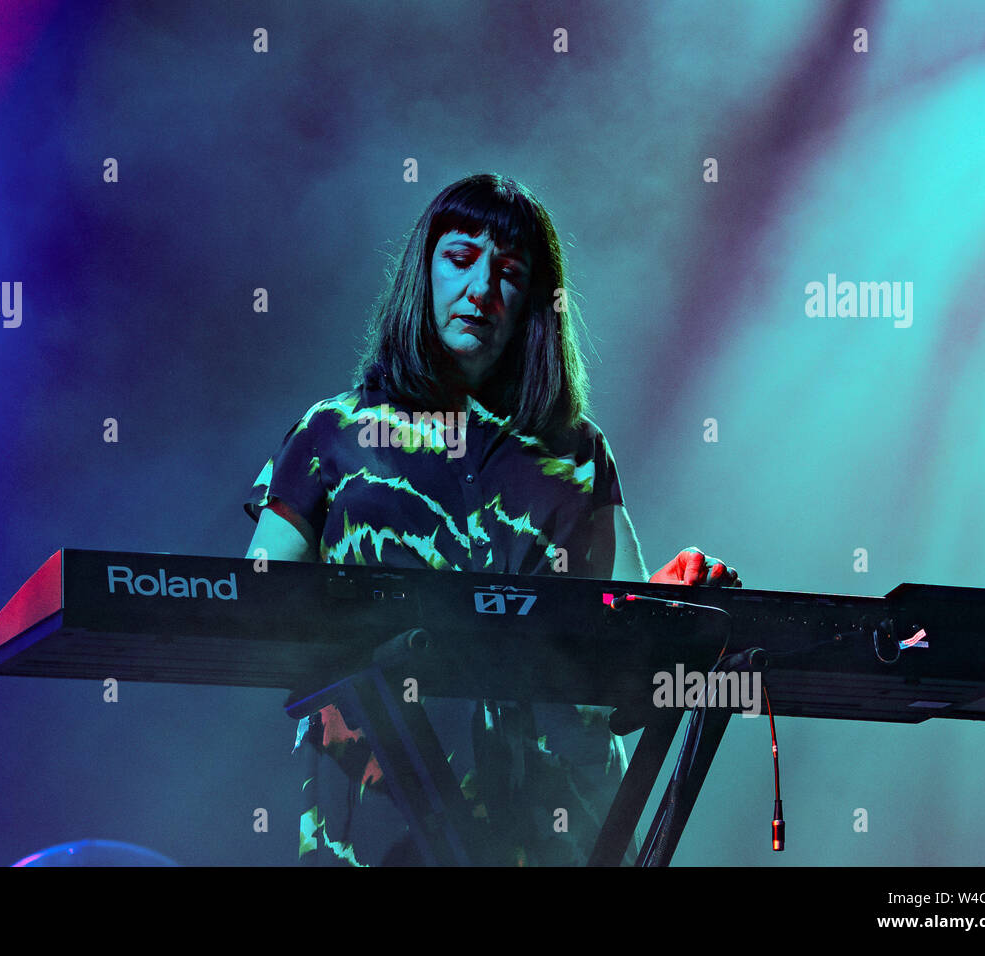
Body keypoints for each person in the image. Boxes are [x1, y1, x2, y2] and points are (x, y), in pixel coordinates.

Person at [244, 173, 740, 865]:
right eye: (460, 258)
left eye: (509, 273)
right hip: (385, 809)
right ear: (424, 270)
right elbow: (248, 604)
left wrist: (677, 604)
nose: (481, 288)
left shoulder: (576, 452)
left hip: (561, 821)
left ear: (534, 304)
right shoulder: (333, 431)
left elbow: (630, 622)